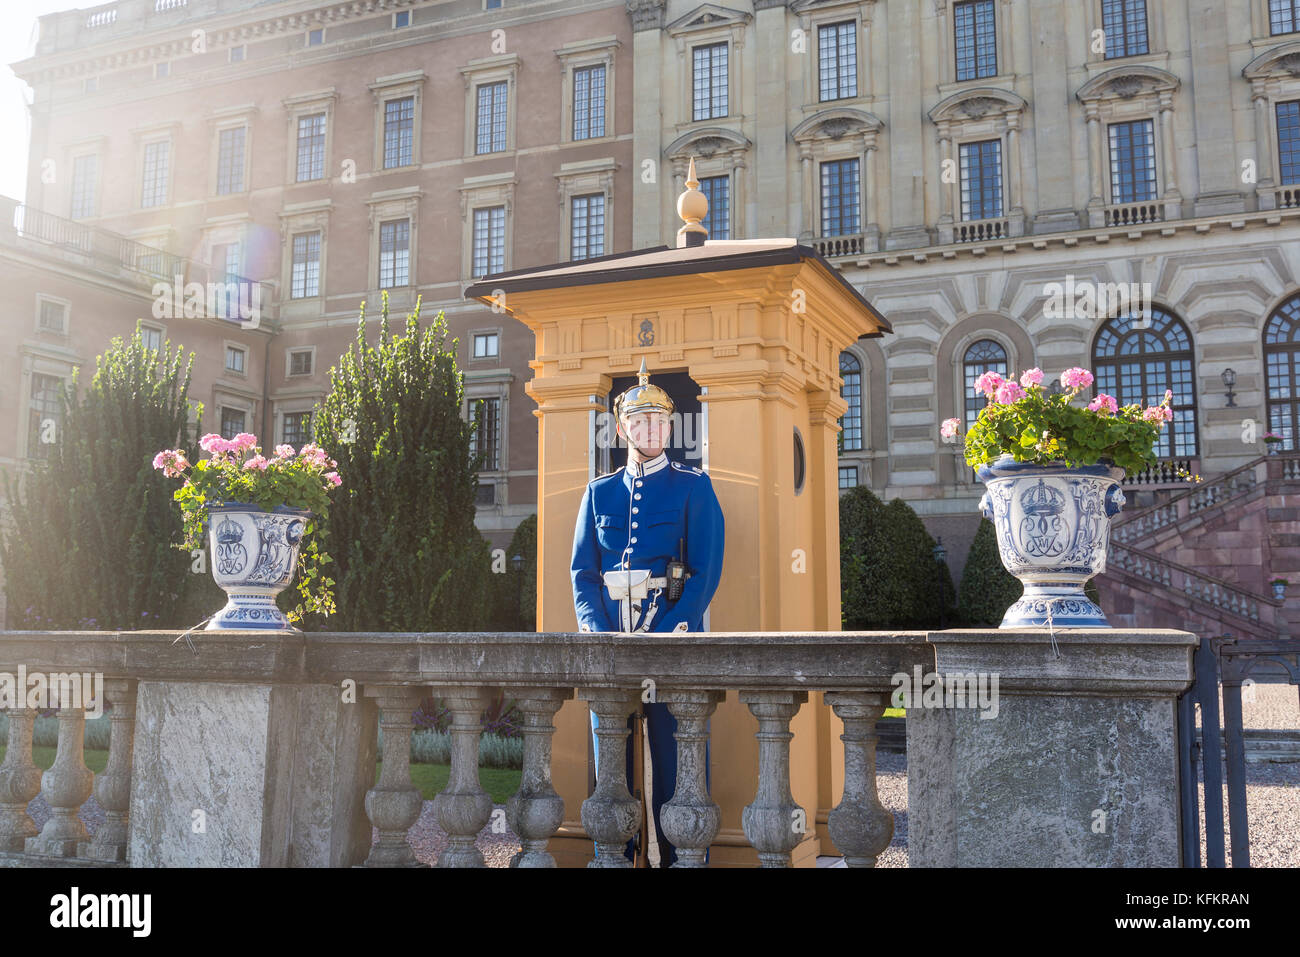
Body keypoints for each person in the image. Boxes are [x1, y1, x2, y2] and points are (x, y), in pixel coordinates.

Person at [570, 358, 725, 865]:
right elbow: (584, 575)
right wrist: (596, 631)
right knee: (612, 773)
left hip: (672, 644)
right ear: (622, 429)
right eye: (640, 422)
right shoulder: (599, 493)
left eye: (660, 422)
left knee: (679, 765)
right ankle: (617, 855)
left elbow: (704, 570)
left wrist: (667, 630)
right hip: (611, 650)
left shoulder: (693, 485)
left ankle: (681, 859)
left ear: (670, 426)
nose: (651, 430)